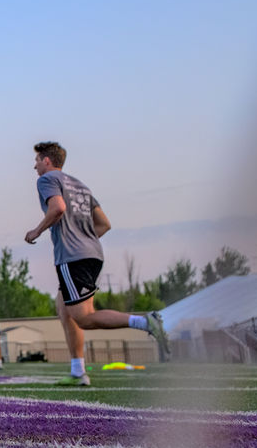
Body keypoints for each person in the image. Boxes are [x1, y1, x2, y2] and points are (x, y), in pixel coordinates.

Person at [24, 141, 169, 386]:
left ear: (47, 161)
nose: (34, 165)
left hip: (72, 256)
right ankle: (78, 371)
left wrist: (36, 231)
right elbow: (104, 223)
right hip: (91, 253)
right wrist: (86, 240)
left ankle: (145, 322)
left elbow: (57, 207)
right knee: (64, 310)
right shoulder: (80, 185)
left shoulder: (47, 180)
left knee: (83, 317)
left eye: (37, 160)